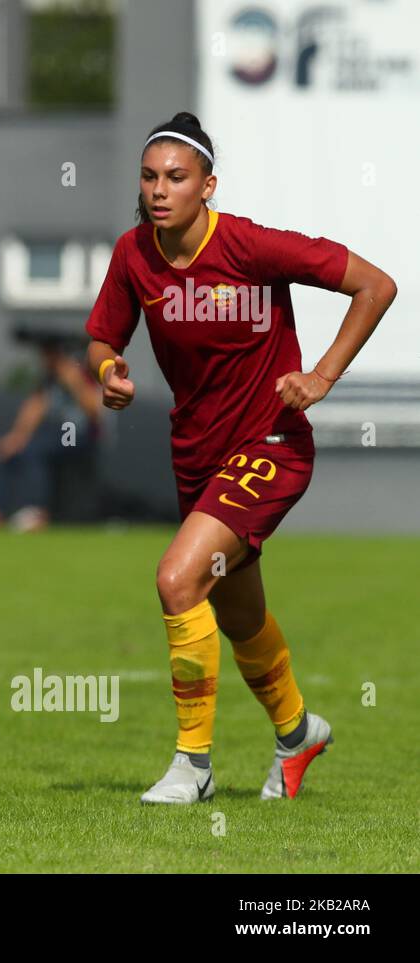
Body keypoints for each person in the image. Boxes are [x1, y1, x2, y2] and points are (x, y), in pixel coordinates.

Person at [85, 111, 396, 804]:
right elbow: (103, 339)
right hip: (196, 458)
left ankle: (192, 764)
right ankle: (296, 732)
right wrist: (108, 371)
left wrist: (320, 377)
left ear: (208, 185)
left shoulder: (251, 245)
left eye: (176, 177)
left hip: (270, 446)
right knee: (239, 616)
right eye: (149, 176)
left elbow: (377, 285)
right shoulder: (134, 254)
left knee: (174, 578)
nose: (159, 189)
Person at [0, 337, 102, 532]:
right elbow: (34, 408)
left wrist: (74, 381)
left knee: (36, 449)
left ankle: (37, 512)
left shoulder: (83, 373)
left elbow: (96, 412)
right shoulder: (48, 380)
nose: (45, 360)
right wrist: (17, 437)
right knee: (11, 451)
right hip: (54, 433)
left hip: (81, 435)